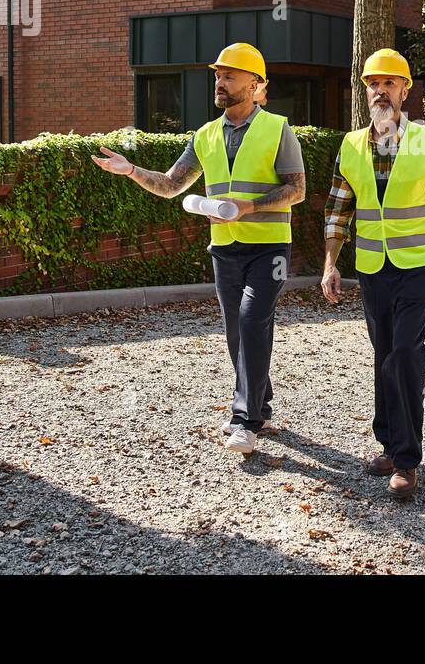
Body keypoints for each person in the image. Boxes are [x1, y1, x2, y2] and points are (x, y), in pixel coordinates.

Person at [93, 43, 306, 455]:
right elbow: (173, 185)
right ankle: (260, 401)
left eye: (229, 75)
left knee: (250, 321)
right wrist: (132, 170)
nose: (220, 82)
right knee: (235, 332)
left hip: (270, 247)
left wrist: (251, 206)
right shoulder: (205, 136)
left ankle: (245, 420)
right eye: (217, 75)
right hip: (224, 248)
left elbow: (296, 190)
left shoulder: (278, 129)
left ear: (255, 83)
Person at [320, 48, 425, 499]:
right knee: (383, 352)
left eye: (389, 83)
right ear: (365, 91)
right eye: (372, 84)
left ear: (405, 90)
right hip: (371, 266)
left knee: (404, 351)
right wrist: (330, 263)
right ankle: (388, 443)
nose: (380, 91)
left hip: (417, 264)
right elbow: (338, 210)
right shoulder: (350, 145)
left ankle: (406, 460)